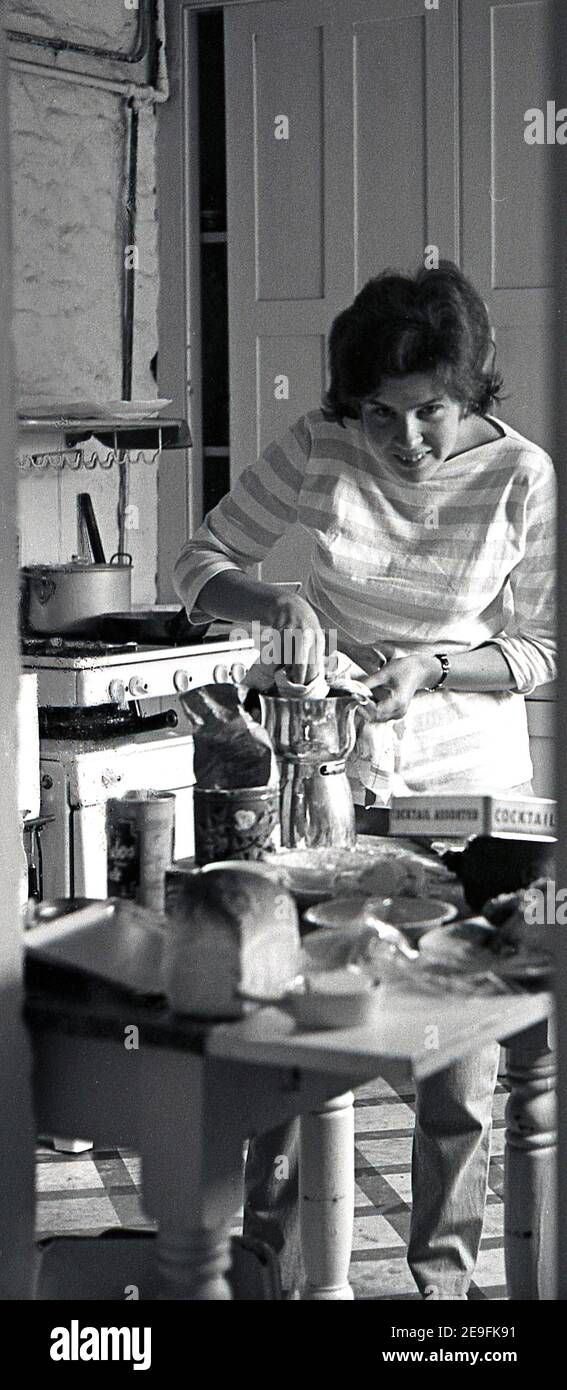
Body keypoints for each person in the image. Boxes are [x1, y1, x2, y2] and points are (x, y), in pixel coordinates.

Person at [173, 262, 556, 1299]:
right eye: (378, 414)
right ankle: (268, 1273)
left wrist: (436, 664)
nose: (404, 441)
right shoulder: (316, 444)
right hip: (332, 783)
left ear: (470, 388)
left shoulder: (522, 476)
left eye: (428, 410)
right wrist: (274, 598)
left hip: (467, 788)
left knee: (455, 1056)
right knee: (294, 1042)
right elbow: (197, 562)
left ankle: (443, 1288)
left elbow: (544, 647)